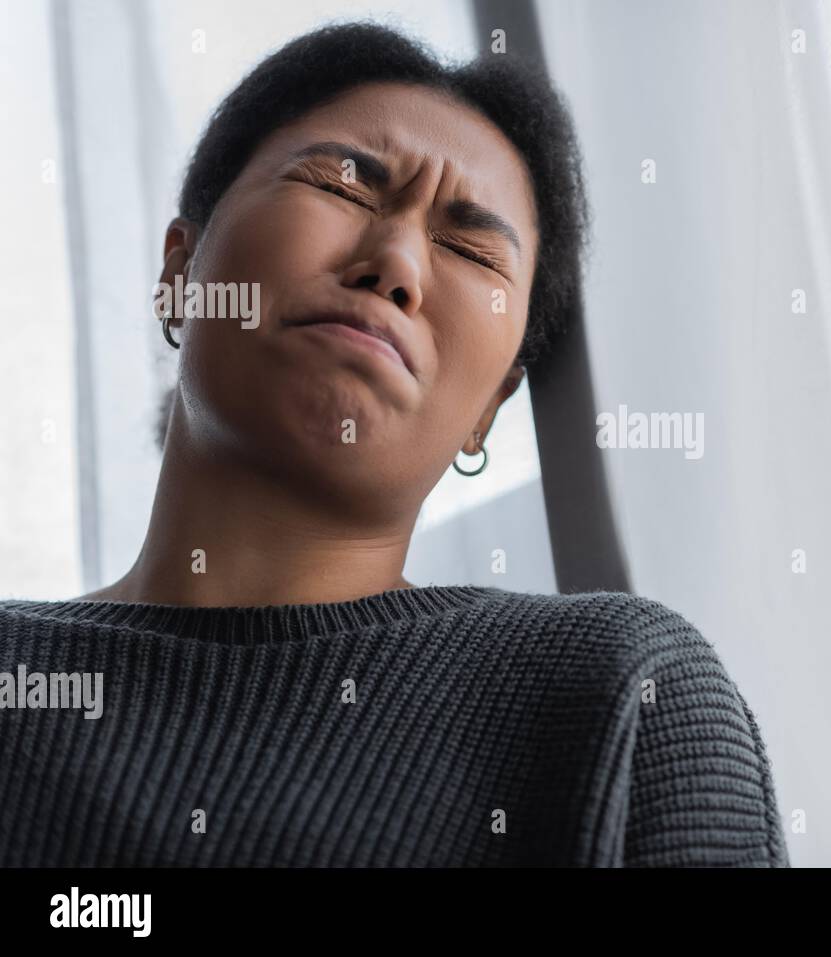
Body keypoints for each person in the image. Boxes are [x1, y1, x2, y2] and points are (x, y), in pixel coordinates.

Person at [0, 22, 789, 867]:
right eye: (341, 186)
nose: (397, 264)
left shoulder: (622, 694)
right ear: (181, 273)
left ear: (490, 408)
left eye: (468, 247)